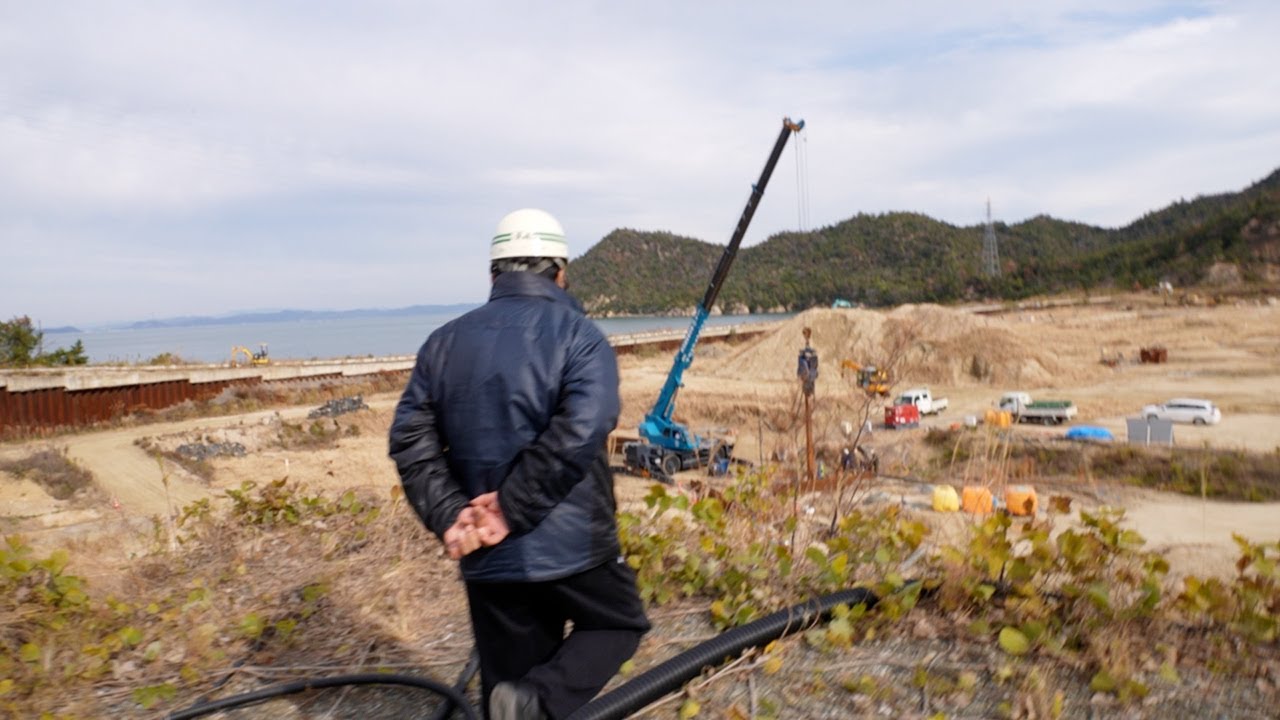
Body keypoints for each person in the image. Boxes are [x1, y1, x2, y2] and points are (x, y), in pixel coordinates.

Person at [389, 208, 650, 720]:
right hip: (575, 548)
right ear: (561, 272)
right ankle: (538, 700)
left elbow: (409, 437)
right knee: (618, 624)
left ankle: (524, 700)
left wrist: (450, 515)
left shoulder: (443, 343)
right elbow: (586, 422)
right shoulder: (580, 335)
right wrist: (510, 507)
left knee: (506, 681)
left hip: (488, 553)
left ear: (494, 274)